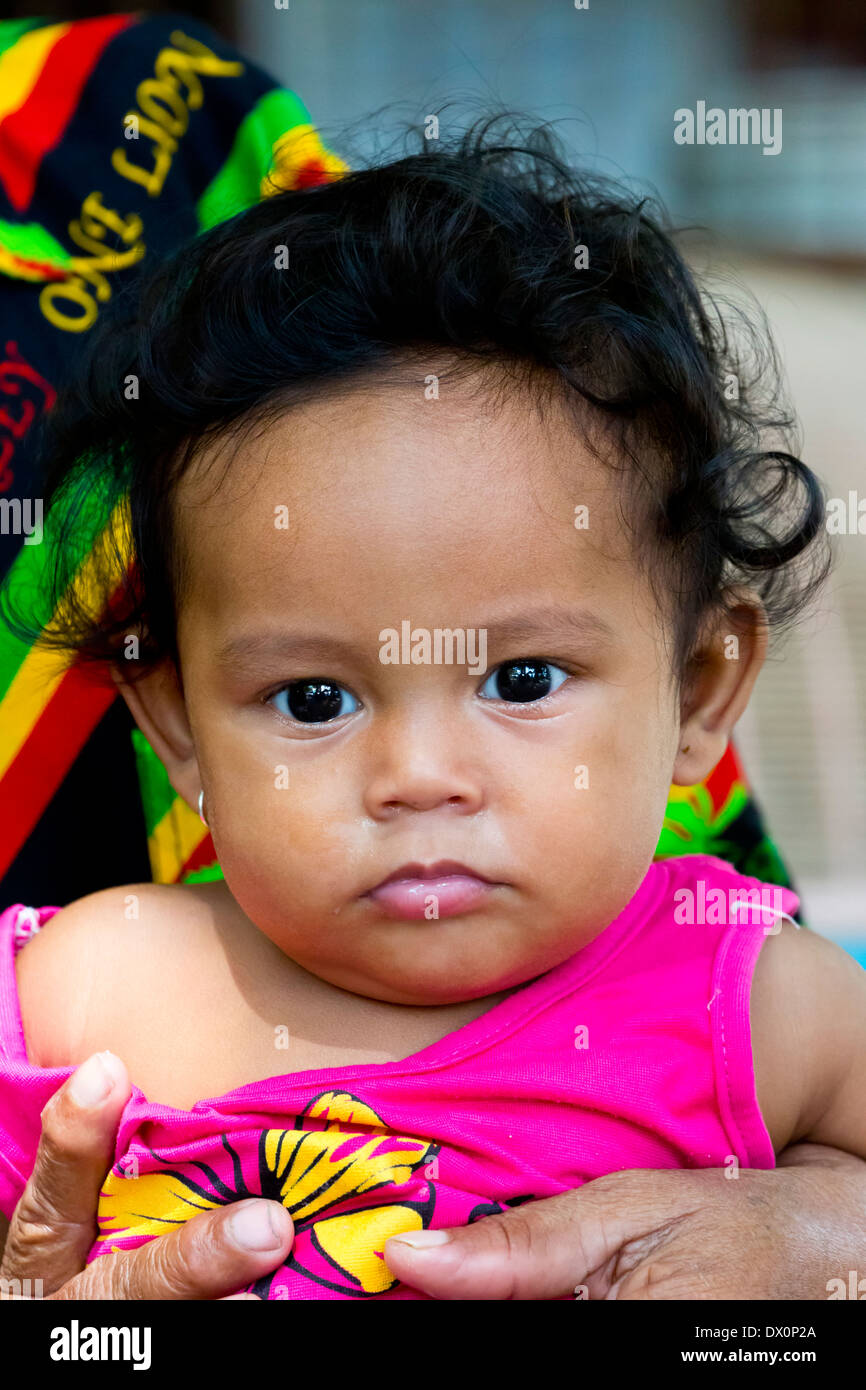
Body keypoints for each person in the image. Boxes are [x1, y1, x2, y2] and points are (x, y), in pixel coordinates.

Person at [1, 118, 863, 1300]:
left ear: (699, 689)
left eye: (520, 680)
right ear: (180, 726)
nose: (416, 776)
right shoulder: (91, 987)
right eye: (313, 698)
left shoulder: (759, 999)